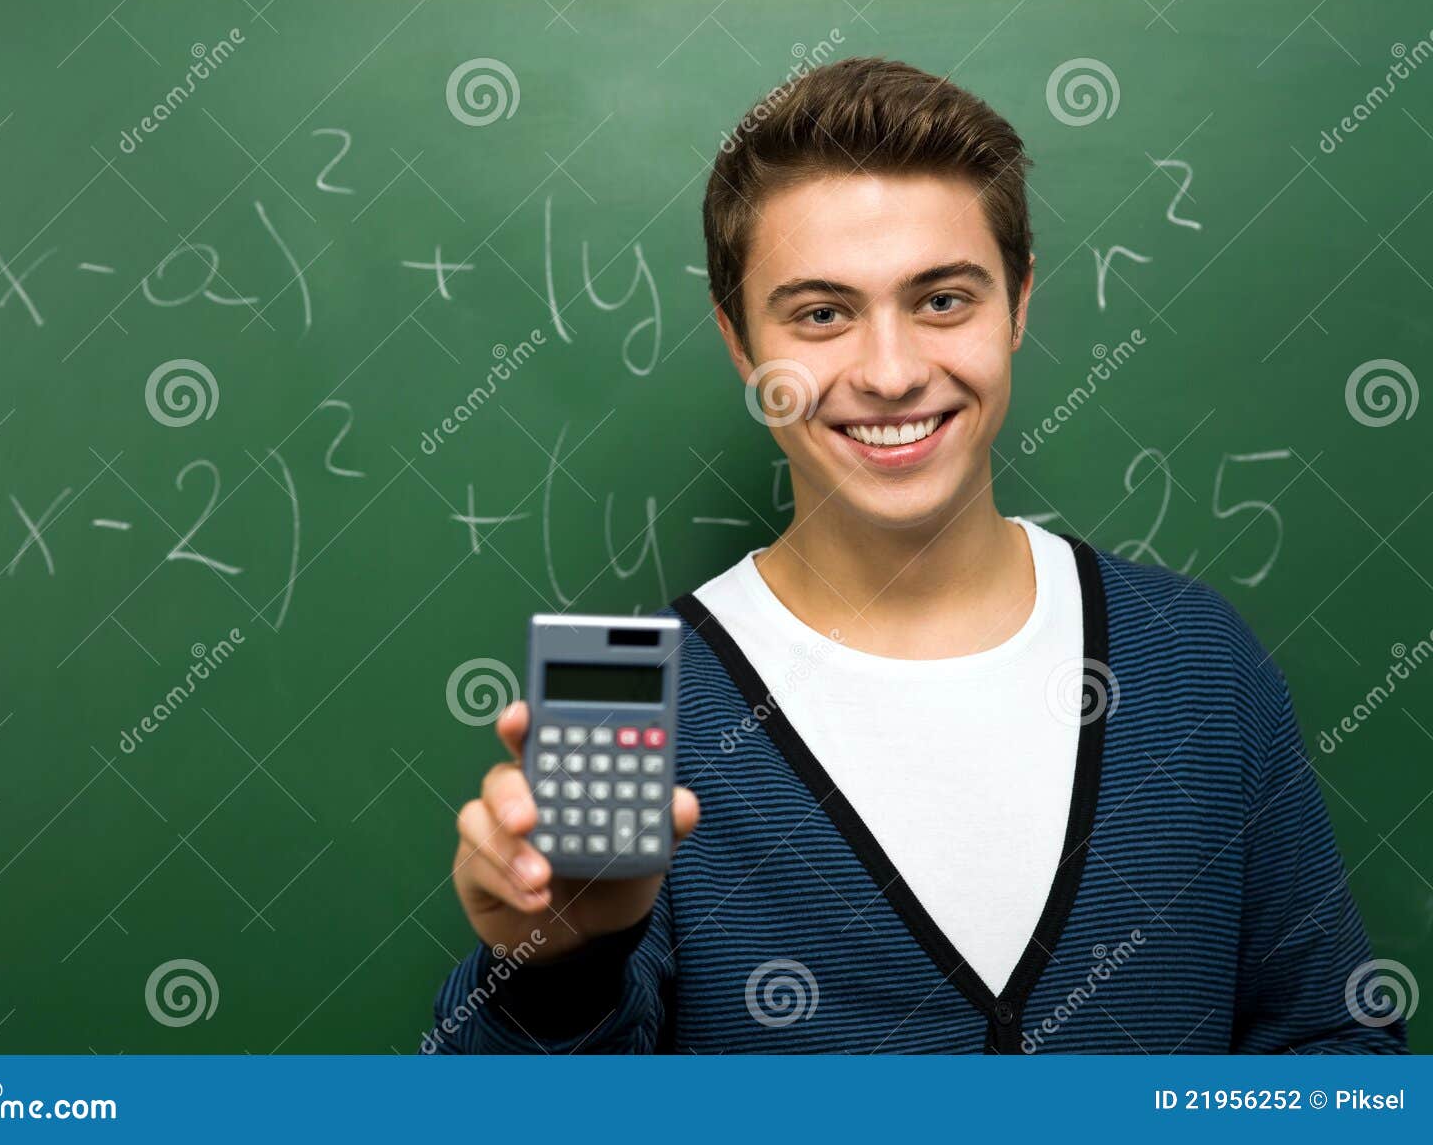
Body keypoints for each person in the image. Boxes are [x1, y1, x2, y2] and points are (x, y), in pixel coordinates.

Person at [425, 57, 1407, 1054]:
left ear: (1018, 302)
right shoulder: (642, 708)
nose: (891, 373)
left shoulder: (1193, 659)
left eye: (942, 300)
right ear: (740, 343)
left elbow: (1338, 1053)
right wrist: (558, 966)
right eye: (821, 314)